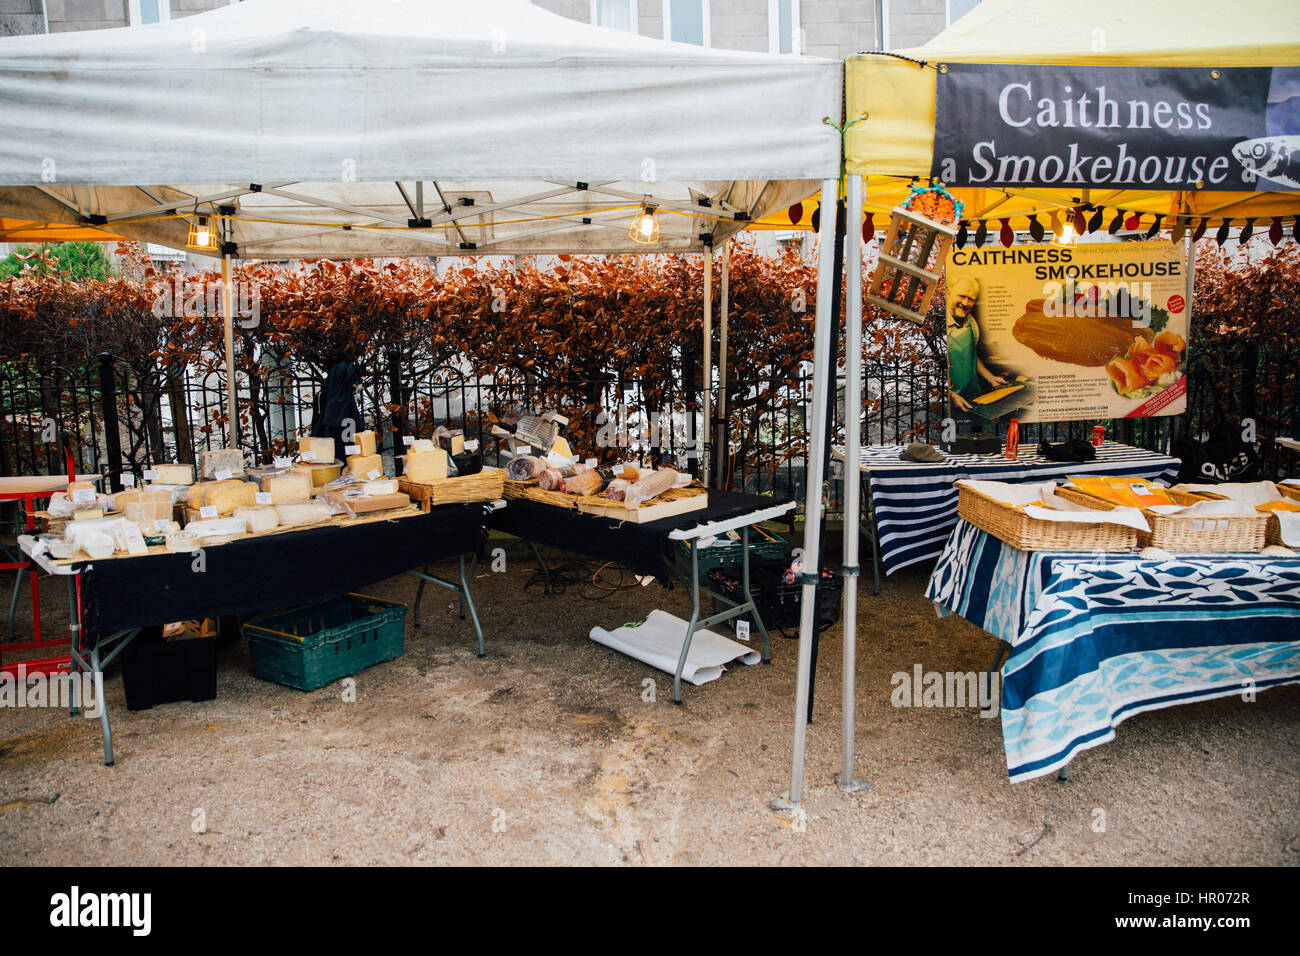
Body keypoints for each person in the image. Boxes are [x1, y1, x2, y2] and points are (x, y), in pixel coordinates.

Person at [946, 276, 1007, 416]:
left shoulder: (971, 323)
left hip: (975, 398)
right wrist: (950, 396)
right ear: (948, 293)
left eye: (970, 299)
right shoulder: (940, 325)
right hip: (952, 403)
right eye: (962, 296)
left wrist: (991, 378)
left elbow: (971, 355)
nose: (965, 303)